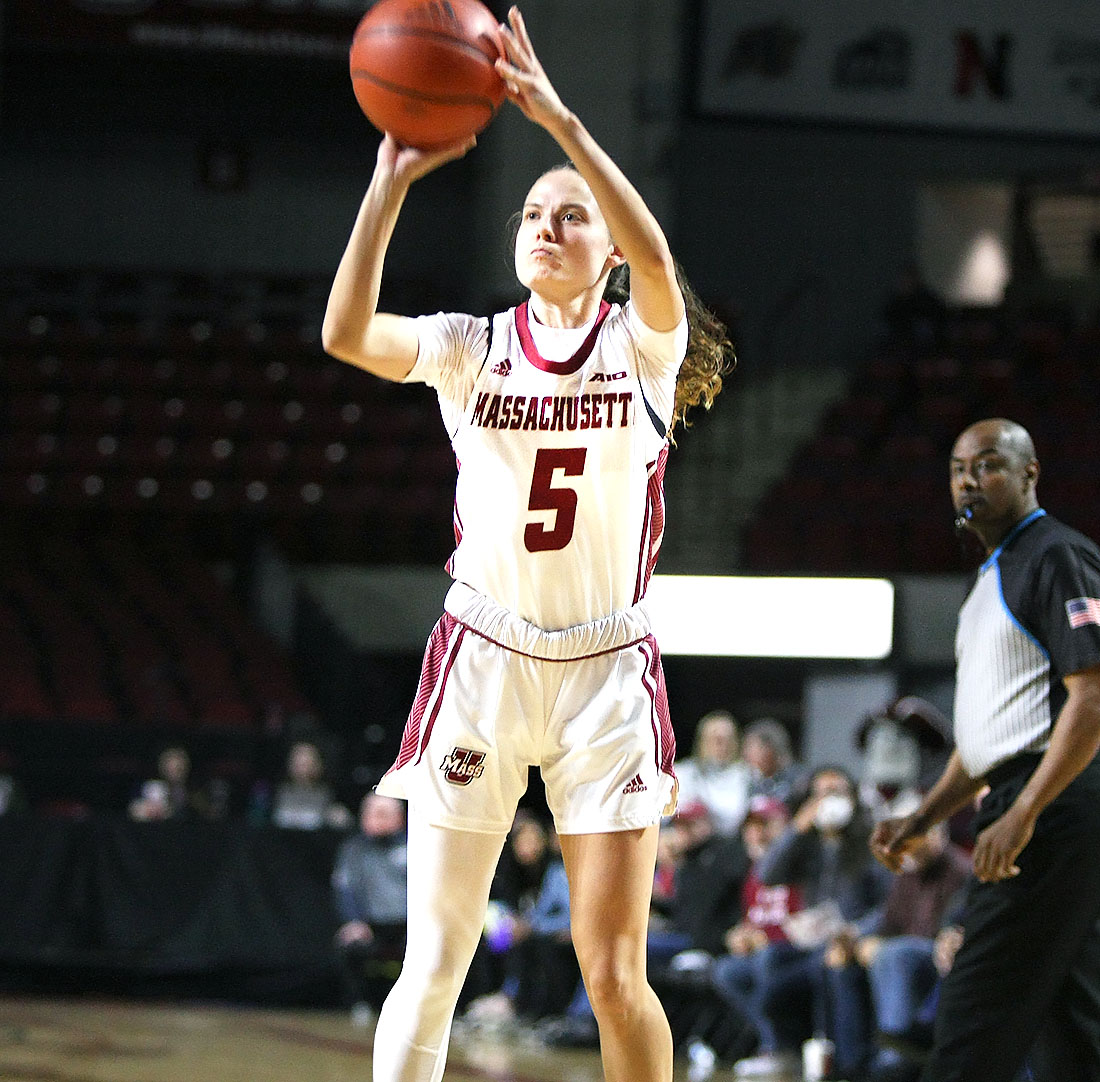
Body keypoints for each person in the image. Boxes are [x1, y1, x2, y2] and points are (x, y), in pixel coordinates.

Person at [320, 9, 733, 1082]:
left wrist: (562, 126)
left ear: (606, 258)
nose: (545, 225)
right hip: (485, 654)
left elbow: (655, 256)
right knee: (437, 957)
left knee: (612, 970)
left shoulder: (642, 348)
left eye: (570, 218)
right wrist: (390, 184)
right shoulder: (470, 346)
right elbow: (345, 335)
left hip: (606, 667)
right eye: (533, 213)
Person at [871, 417, 1100, 1082]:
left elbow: (1090, 698)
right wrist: (923, 818)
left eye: (990, 464)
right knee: (1071, 1018)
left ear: (1031, 475)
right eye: (958, 468)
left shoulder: (1055, 555)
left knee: (972, 1014)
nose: (970, 479)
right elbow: (980, 748)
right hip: (1026, 795)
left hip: (1053, 802)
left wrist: (1024, 811)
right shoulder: (988, 582)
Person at [733, 766, 892, 1080]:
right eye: (822, 794)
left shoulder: (871, 844)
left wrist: (856, 933)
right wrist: (798, 827)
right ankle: (780, 1050)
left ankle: (849, 1067)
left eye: (838, 793)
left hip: (850, 942)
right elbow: (766, 874)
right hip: (807, 943)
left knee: (834, 968)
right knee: (767, 960)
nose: (830, 801)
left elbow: (890, 905)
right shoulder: (807, 844)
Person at [824, 818, 971, 1082]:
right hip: (904, 951)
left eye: (916, 838)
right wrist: (860, 942)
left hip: (937, 954)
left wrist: (883, 945)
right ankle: (851, 1067)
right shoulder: (908, 873)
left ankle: (895, 1061)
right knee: (841, 962)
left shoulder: (958, 869)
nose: (909, 846)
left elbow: (945, 931)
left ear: (937, 837)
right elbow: (888, 923)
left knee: (894, 955)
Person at [332, 793, 409, 1026]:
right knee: (350, 945)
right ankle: (360, 1003)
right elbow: (344, 889)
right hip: (371, 926)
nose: (376, 819)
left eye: (383, 814)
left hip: (409, 925)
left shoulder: (415, 845)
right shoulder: (353, 849)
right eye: (371, 813)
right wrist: (354, 921)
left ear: (400, 818)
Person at [675, 710, 752, 836]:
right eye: (716, 739)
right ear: (702, 741)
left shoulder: (749, 776)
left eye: (728, 739)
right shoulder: (683, 774)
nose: (722, 746)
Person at [271, 740, 352, 831]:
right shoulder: (278, 792)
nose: (301, 769)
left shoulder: (328, 794)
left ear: (317, 765)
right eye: (298, 764)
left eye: (306, 764)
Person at [741, 718, 805, 806]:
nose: (746, 754)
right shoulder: (745, 780)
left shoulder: (799, 780)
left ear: (771, 749)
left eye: (751, 747)